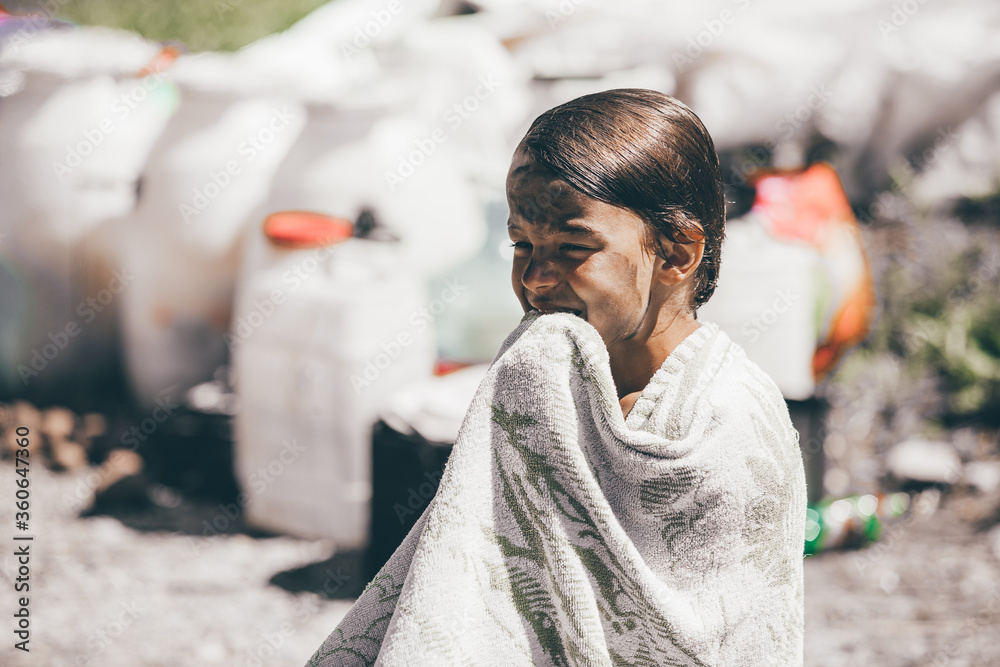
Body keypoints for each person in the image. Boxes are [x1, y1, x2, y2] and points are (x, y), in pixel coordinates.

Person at [306, 89, 806, 667]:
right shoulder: (538, 384)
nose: (537, 279)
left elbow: (725, 632)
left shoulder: (731, 420)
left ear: (676, 252)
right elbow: (474, 570)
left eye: (573, 247)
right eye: (522, 244)